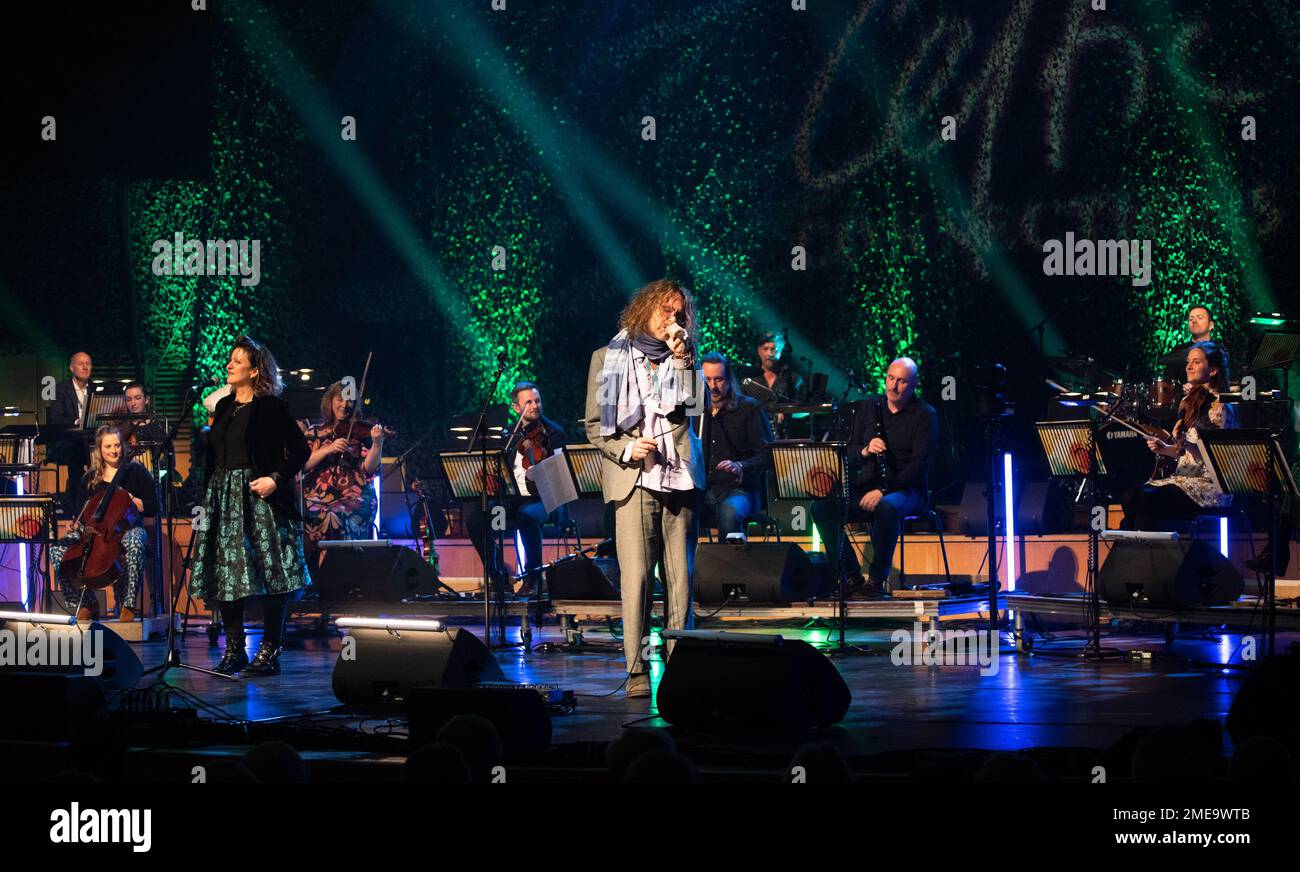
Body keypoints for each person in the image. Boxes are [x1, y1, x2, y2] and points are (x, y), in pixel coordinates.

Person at [585, 279, 704, 698]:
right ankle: (635, 671)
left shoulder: (688, 357)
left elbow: (693, 410)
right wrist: (626, 447)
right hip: (634, 480)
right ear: (645, 310)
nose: (672, 320)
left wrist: (684, 360)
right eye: (664, 311)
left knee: (681, 581)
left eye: (678, 313)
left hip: (680, 476)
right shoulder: (608, 357)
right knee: (636, 580)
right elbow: (596, 426)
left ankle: (681, 667)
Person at [189, 336, 311, 676]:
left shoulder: (270, 407)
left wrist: (275, 478)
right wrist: (206, 495)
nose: (229, 365)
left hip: (258, 499)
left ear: (255, 371)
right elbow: (213, 455)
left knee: (272, 574)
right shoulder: (225, 406)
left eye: (238, 361)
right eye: (230, 359)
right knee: (225, 574)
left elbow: (300, 450)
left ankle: (271, 649)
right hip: (223, 499)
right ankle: (235, 648)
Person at [810, 357, 938, 595]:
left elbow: (920, 466)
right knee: (821, 508)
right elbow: (848, 449)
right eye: (890, 378)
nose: (893, 386)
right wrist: (865, 450)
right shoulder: (869, 407)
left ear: (913, 385)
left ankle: (877, 580)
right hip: (866, 486)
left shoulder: (925, 415)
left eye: (901, 382)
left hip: (904, 490)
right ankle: (851, 574)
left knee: (886, 508)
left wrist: (884, 491)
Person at [465, 381, 567, 593]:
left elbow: (560, 479)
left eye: (537, 401)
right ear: (516, 408)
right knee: (478, 518)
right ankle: (498, 576)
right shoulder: (508, 437)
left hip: (545, 501)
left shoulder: (554, 433)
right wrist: (490, 479)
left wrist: (538, 467)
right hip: (511, 504)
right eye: (528, 402)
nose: (534, 405)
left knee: (526, 515)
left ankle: (534, 578)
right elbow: (497, 469)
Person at [1122, 341, 1235, 531]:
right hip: (1184, 478)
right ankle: (1139, 553)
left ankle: (1148, 555)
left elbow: (1213, 457)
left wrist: (1186, 445)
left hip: (1209, 485)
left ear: (1213, 370)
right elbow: (1185, 453)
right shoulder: (1188, 402)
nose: (1189, 367)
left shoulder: (1220, 407)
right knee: (1129, 496)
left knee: (1147, 499)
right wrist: (1165, 450)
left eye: (1197, 362)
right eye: (1188, 362)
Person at [50, 426, 157, 622]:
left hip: (129, 528)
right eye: (108, 446)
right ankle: (88, 604)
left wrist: (140, 504)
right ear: (99, 449)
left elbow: (154, 506)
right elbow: (80, 514)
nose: (113, 450)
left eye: (117, 445)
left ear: (123, 446)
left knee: (135, 541)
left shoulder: (136, 471)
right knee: (57, 550)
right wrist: (75, 525)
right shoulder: (90, 478)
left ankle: (128, 604)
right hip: (94, 532)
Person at [300, 381, 386, 564]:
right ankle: (319, 576)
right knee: (317, 514)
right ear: (330, 401)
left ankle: (338, 574)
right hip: (317, 496)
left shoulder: (361, 434)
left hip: (355, 495)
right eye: (340, 399)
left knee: (337, 514)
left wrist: (377, 443)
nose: (344, 405)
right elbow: (302, 464)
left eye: (350, 401)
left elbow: (369, 468)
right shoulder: (315, 432)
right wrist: (326, 449)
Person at [699, 352, 772, 538]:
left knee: (728, 513)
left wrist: (741, 466)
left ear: (729, 379)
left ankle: (733, 566)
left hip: (742, 490)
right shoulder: (696, 413)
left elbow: (768, 455)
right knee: (678, 513)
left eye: (718, 380)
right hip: (705, 489)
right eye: (707, 380)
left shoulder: (748, 408)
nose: (712, 386)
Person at [45, 351, 94, 513]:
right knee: (76, 453)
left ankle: (97, 500)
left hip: (91, 437)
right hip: (67, 439)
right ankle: (75, 506)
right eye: (81, 363)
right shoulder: (59, 389)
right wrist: (76, 421)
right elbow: (55, 418)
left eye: (88, 363)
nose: (85, 367)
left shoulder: (94, 388)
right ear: (72, 367)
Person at [741, 332, 803, 435]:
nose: (769, 353)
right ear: (759, 351)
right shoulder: (749, 379)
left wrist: (787, 412)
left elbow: (802, 408)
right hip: (754, 436)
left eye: (773, 349)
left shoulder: (793, 378)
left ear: (781, 351)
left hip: (785, 438)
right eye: (765, 349)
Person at [1161, 305, 1230, 384]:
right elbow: (1168, 382)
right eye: (1191, 319)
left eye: (1199, 318)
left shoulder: (1219, 351)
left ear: (1211, 325)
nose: (1194, 321)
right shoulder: (1178, 351)